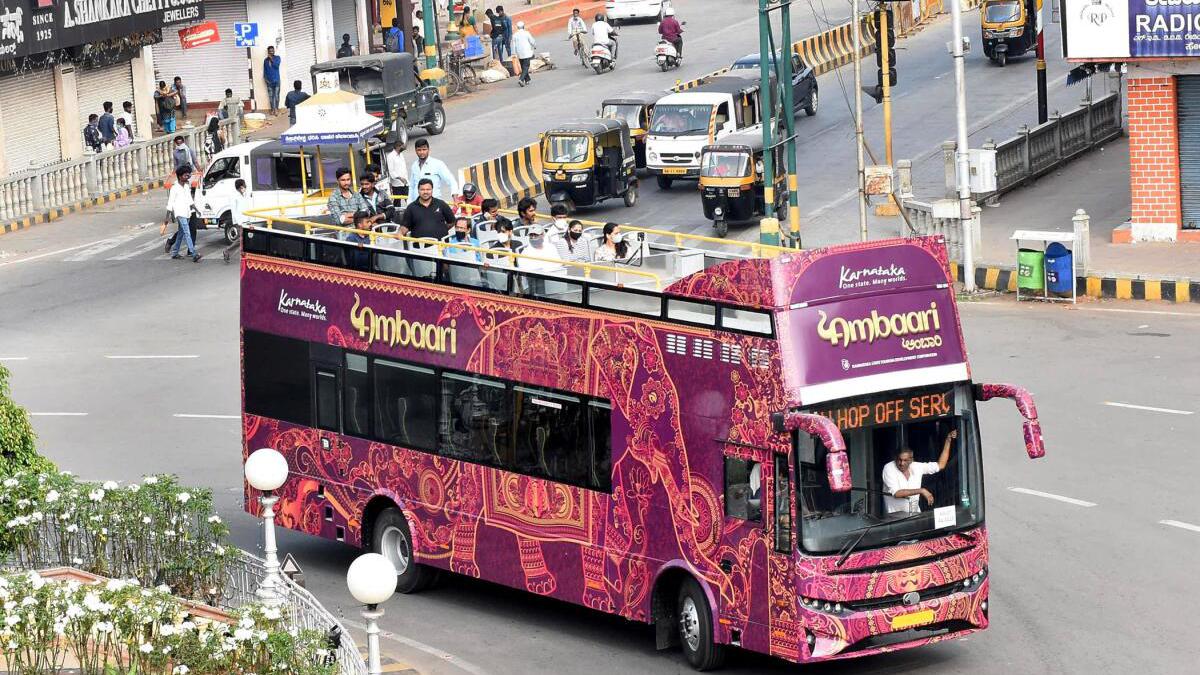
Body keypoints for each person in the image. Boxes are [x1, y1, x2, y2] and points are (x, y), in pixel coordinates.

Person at [882, 430, 958, 514]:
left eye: (905, 460)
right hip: (895, 519)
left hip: (915, 515)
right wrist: (921, 490)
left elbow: (941, 465)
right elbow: (897, 493)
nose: (901, 463)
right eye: (899, 460)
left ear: (911, 460)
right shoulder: (889, 468)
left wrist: (948, 440)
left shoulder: (916, 466)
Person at [166, 166, 201, 262]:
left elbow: (190, 201)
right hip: (180, 213)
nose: (188, 177)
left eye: (188, 174)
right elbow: (170, 203)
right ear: (180, 176)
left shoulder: (186, 187)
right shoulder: (174, 188)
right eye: (186, 175)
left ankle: (175, 252)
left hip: (187, 213)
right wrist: (167, 217)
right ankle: (193, 253)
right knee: (187, 233)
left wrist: (197, 210)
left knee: (181, 233)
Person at [384, 140, 409, 208]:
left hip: (405, 183)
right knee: (397, 201)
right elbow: (391, 171)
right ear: (398, 147)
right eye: (402, 146)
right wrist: (400, 178)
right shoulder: (390, 156)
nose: (404, 147)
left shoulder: (401, 155)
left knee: (409, 200)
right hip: (397, 185)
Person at [511, 21, 536, 87]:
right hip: (527, 53)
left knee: (523, 66)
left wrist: (514, 53)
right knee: (526, 66)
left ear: (517, 27)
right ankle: (521, 79)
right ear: (523, 26)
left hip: (519, 54)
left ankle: (527, 79)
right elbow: (532, 41)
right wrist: (534, 45)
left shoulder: (514, 35)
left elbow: (513, 45)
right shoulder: (526, 33)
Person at [263, 46, 282, 115]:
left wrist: (271, 59)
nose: (271, 52)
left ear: (274, 51)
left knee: (276, 96)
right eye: (270, 51)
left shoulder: (277, 58)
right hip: (269, 82)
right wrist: (265, 78)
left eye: (272, 50)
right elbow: (265, 70)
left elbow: (276, 66)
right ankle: (272, 109)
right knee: (271, 97)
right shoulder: (265, 60)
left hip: (277, 81)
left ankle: (276, 109)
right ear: (268, 52)